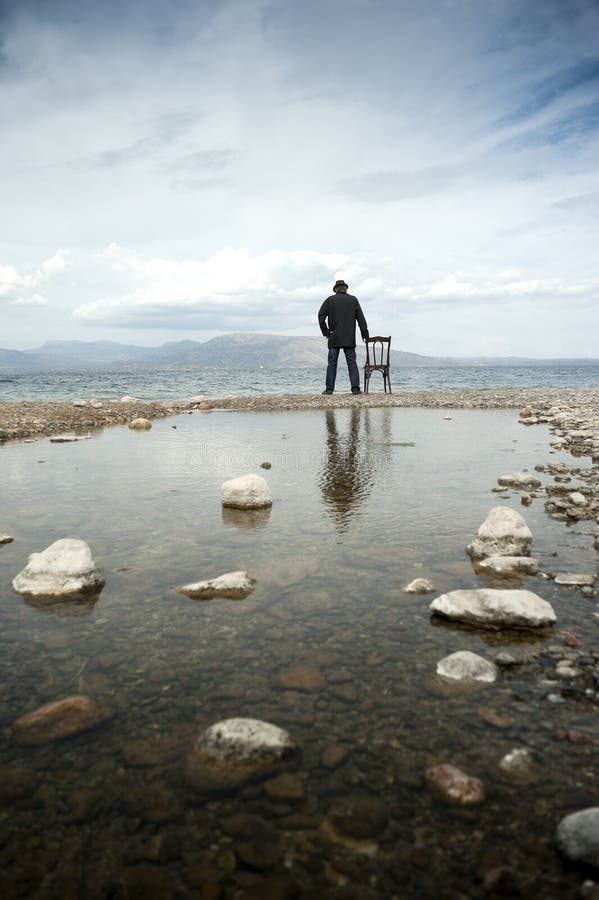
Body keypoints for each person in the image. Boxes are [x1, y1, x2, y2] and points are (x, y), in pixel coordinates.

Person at [318, 279, 369, 394]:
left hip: (334, 337)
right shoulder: (353, 300)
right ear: (345, 288)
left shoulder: (330, 300)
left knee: (332, 364)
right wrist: (365, 334)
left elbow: (320, 316)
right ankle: (355, 389)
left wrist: (326, 332)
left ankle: (329, 390)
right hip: (349, 338)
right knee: (352, 363)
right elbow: (361, 318)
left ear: (336, 289)